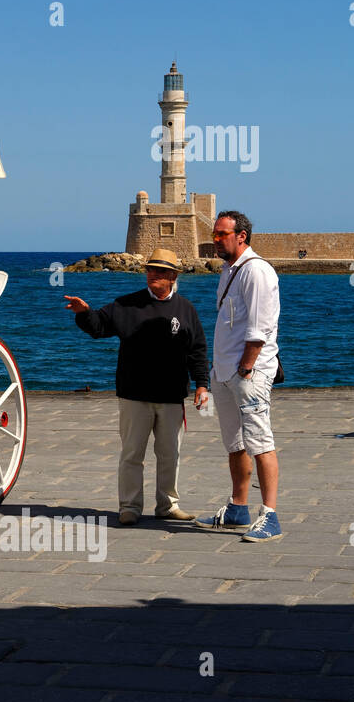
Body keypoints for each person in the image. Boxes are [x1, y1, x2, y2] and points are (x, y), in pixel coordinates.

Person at [65, 248, 210, 525]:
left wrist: (202, 385)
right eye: (150, 269)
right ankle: (129, 507)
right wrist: (84, 313)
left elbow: (198, 350)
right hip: (134, 394)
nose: (152, 274)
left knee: (171, 454)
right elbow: (99, 327)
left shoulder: (186, 309)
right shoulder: (126, 304)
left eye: (159, 271)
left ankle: (168, 505)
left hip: (171, 396)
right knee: (132, 454)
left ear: (173, 276)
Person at [194, 211, 284, 542]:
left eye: (221, 234)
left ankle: (270, 516)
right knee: (235, 443)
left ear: (241, 236)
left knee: (261, 442)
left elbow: (260, 326)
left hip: (248, 372)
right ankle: (237, 508)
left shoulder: (257, 271)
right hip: (226, 370)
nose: (215, 239)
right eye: (214, 234)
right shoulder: (229, 270)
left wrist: (246, 368)